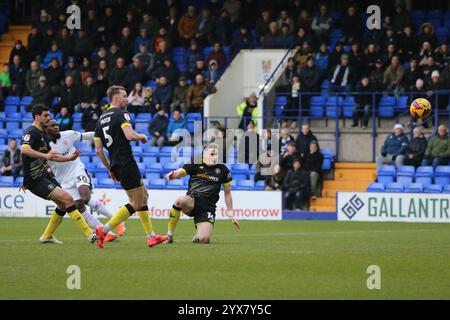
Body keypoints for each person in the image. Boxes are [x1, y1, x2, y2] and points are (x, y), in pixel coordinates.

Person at [93, 86, 168, 248]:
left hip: (116, 163)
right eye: (125, 96)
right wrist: (141, 136)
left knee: (143, 196)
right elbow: (129, 135)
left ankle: (151, 236)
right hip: (126, 162)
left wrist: (109, 169)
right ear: (115, 99)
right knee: (135, 202)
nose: (127, 99)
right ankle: (103, 230)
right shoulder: (122, 113)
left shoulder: (100, 120)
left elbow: (98, 150)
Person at [21, 104, 96, 244]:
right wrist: (44, 158)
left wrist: (69, 158)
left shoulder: (43, 134)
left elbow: (53, 156)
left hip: (43, 176)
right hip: (36, 180)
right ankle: (89, 233)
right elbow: (24, 150)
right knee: (68, 199)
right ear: (37, 117)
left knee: (62, 205)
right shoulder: (32, 132)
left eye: (49, 115)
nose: (49, 118)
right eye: (46, 116)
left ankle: (47, 236)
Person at [45, 120, 124, 242]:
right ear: (46, 129)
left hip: (77, 170)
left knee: (85, 197)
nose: (56, 127)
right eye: (52, 126)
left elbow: (88, 135)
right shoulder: (44, 147)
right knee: (79, 207)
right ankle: (103, 231)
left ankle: (117, 222)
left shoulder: (68, 134)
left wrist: (103, 136)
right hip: (64, 180)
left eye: (57, 125)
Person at [164, 142, 240, 244]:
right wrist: (173, 175)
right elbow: (181, 172)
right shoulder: (195, 163)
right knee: (180, 200)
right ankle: (169, 236)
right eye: (212, 154)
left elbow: (227, 193)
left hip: (207, 207)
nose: (215, 157)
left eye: (217, 154)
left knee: (204, 239)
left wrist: (230, 214)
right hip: (192, 201)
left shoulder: (223, 170)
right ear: (204, 154)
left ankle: (199, 235)